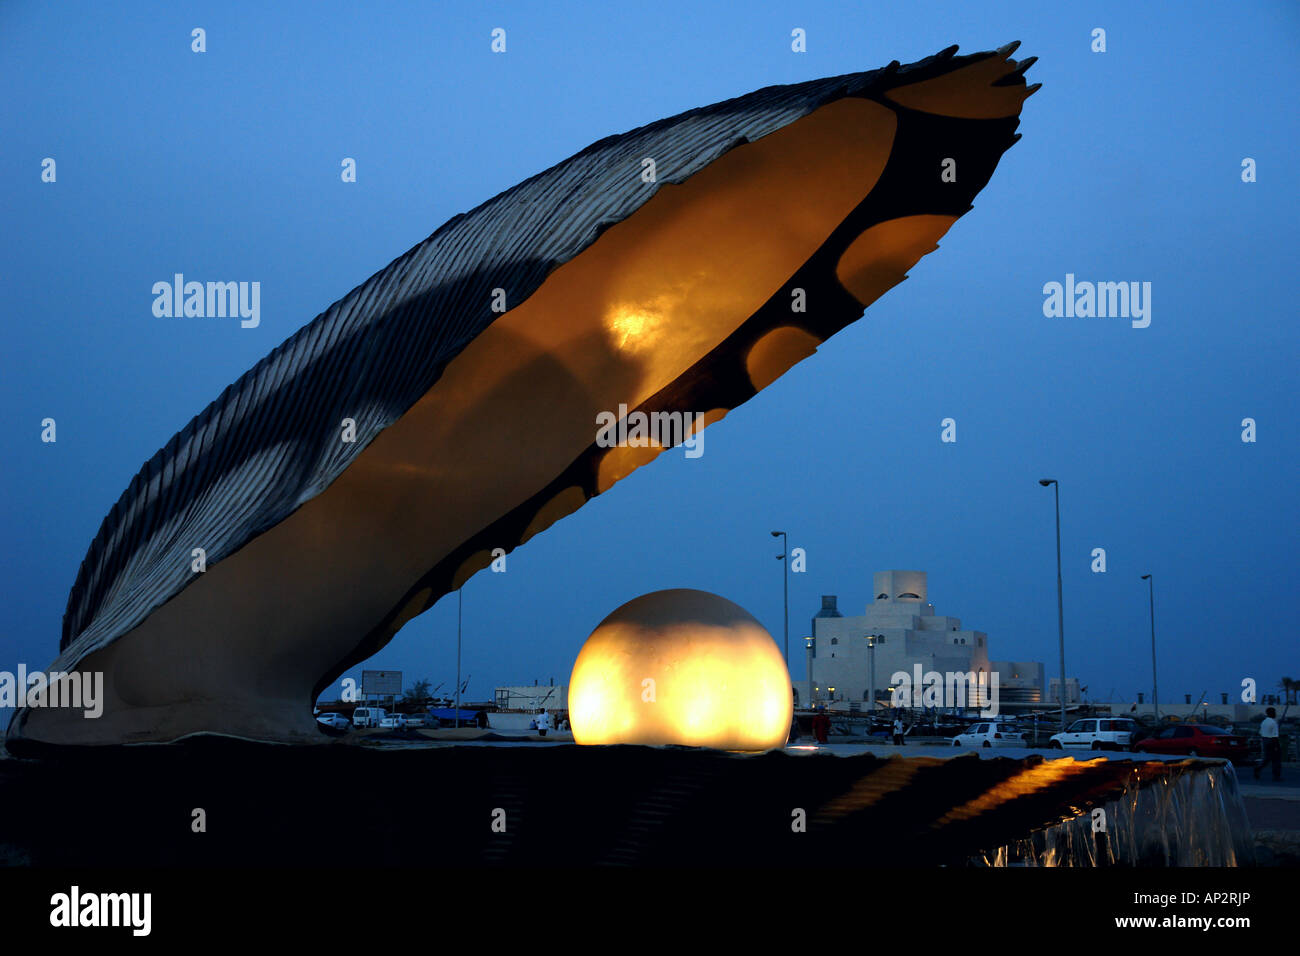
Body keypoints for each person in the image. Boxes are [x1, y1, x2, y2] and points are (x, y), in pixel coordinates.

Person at [1254, 707, 1282, 781]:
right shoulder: (1273, 722)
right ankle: (1276, 776)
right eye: (1274, 712)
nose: (1275, 714)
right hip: (1272, 741)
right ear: (1272, 713)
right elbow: (1275, 736)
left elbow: (1260, 732)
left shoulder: (1264, 722)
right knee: (1276, 760)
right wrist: (1277, 746)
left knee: (1267, 759)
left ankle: (1258, 768)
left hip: (1265, 740)